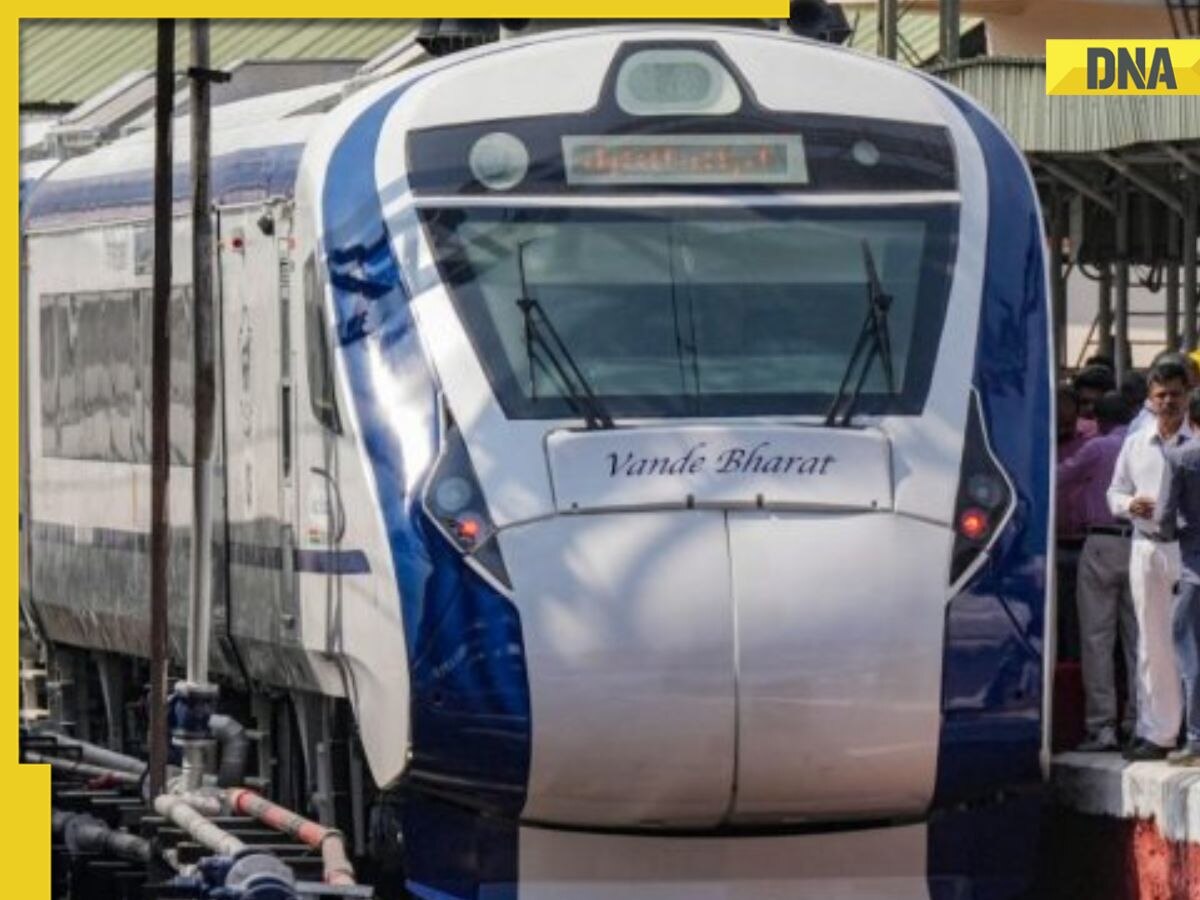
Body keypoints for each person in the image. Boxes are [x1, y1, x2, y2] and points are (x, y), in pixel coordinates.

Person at [1108, 359, 1192, 760]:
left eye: (1176, 393)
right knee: (1151, 641)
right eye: (1161, 395)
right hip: (1145, 546)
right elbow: (1113, 493)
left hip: (1188, 550)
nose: (1169, 401)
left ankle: (1192, 732)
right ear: (1150, 400)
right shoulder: (1135, 442)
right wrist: (1129, 504)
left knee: (1189, 642)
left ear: (1188, 394)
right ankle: (1158, 733)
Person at [1059, 392, 1137, 751]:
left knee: (1097, 640)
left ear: (1099, 419)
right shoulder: (1143, 445)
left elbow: (1057, 477)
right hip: (1139, 543)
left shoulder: (1098, 448)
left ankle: (1102, 727)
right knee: (1139, 642)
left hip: (1101, 545)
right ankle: (1139, 722)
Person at [1154, 387, 1200, 765]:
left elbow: (1164, 520)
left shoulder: (1180, 457)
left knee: (1190, 654)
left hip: (1194, 569)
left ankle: (1197, 740)